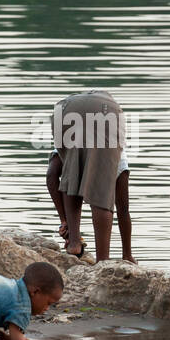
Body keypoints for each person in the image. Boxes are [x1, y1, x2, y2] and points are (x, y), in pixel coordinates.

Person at [50, 90, 126, 261]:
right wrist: (127, 254)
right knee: (103, 192)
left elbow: (52, 175)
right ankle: (102, 261)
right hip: (107, 111)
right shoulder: (119, 148)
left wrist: (65, 221)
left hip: (65, 108)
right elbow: (123, 208)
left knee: (71, 173)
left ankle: (74, 244)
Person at [46, 150, 134, 263]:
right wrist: (64, 220)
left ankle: (119, 256)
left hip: (103, 146)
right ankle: (75, 240)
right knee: (63, 176)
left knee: (115, 204)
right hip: (82, 142)